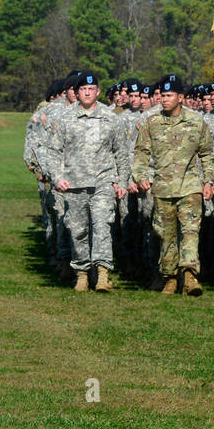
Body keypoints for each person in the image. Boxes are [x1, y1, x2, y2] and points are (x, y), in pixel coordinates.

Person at [38, 71, 127, 292]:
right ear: (77, 93)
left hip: (102, 183)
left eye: (91, 89)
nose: (87, 93)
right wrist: (57, 178)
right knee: (78, 231)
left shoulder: (110, 118)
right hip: (74, 185)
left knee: (102, 227)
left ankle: (103, 273)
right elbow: (53, 152)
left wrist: (122, 181)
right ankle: (82, 273)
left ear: (97, 92)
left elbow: (121, 153)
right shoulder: (65, 119)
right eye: (83, 90)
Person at [131, 75, 214, 296]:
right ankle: (169, 276)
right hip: (163, 188)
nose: (164, 100)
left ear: (180, 97)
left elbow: (207, 154)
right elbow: (141, 152)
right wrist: (140, 176)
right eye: (162, 96)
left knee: (190, 231)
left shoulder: (196, 122)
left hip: (190, 187)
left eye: (169, 96)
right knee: (166, 235)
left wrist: (209, 181)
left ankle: (189, 276)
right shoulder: (152, 122)